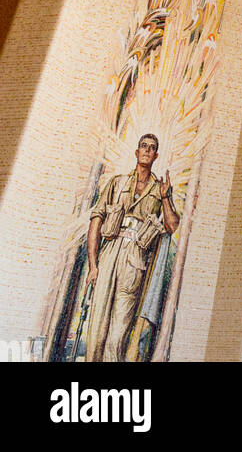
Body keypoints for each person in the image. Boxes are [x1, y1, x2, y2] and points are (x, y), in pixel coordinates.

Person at [85, 134, 179, 361]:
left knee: (118, 333)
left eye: (152, 148)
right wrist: (93, 265)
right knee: (97, 327)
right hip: (109, 252)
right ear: (136, 152)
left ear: (156, 156)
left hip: (135, 258)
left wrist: (165, 198)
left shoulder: (160, 189)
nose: (147, 150)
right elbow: (96, 222)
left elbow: (172, 225)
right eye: (143, 146)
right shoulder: (117, 182)